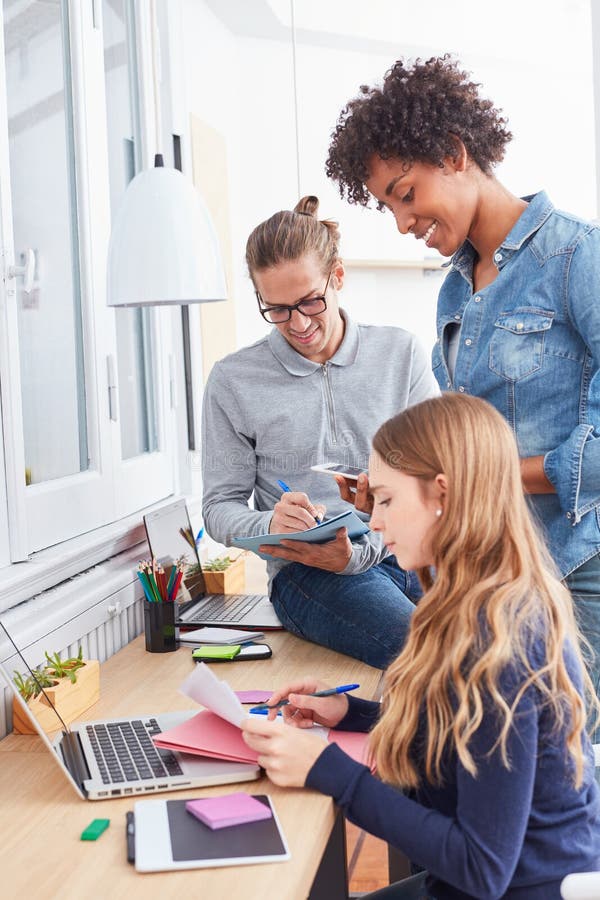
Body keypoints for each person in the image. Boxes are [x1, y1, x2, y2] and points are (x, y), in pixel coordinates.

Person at [241, 394, 600, 900]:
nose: (373, 521)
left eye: (386, 500)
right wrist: (353, 713)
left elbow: (482, 868)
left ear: (442, 495)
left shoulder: (502, 642)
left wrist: (327, 770)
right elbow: (462, 736)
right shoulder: (474, 602)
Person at [323, 54, 600, 703]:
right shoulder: (455, 292)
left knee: (568, 757)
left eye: (405, 194)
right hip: (495, 574)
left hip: (577, 569)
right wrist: (401, 488)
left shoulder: (577, 257)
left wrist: (481, 475)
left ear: (453, 152)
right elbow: (466, 445)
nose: (401, 223)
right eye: (387, 207)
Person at [201, 195, 439, 668]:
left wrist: (363, 550)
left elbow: (434, 481)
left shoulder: (402, 355)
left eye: (311, 301)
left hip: (413, 550)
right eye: (278, 309)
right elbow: (218, 507)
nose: (299, 323)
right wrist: (270, 524)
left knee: (500, 642)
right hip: (310, 575)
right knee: (424, 656)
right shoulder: (234, 381)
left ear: (338, 276)